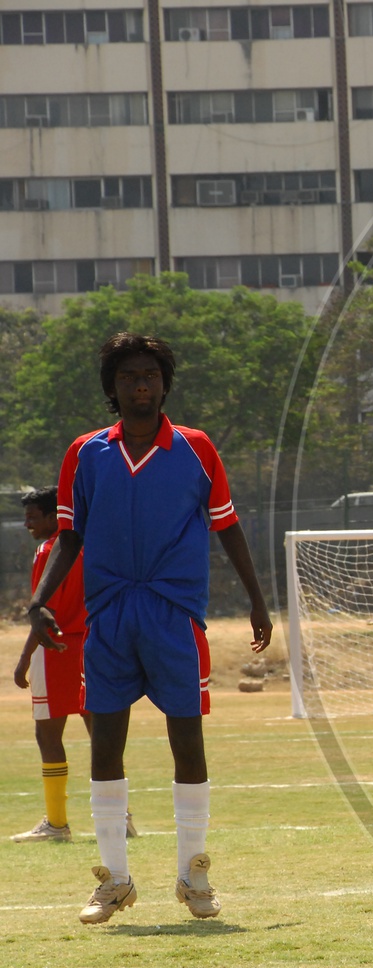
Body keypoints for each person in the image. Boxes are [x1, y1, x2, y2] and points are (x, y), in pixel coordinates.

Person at [26, 333, 272, 924]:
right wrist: (40, 601)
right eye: (130, 376)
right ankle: (113, 880)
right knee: (105, 744)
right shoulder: (86, 453)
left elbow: (228, 525)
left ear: (165, 383)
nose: (142, 385)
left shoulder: (196, 447)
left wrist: (259, 603)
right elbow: (70, 536)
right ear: (112, 388)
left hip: (174, 614)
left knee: (187, 744)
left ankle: (194, 876)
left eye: (152, 376)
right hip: (107, 616)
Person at [10, 486, 139, 842]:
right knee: (101, 732)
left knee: (48, 734)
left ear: (54, 517)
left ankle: (56, 823)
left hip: (55, 649)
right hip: (94, 645)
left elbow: (44, 612)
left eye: (33, 517)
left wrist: (23, 658)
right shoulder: (92, 548)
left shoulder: (49, 552)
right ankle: (121, 818)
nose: (27, 524)